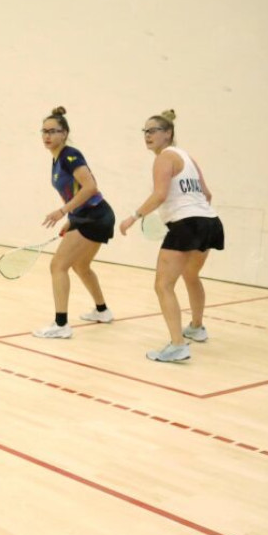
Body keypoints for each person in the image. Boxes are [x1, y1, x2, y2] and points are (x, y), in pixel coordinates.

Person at [119, 109, 224, 362]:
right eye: (145, 131)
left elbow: (160, 195)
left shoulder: (164, 158)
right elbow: (207, 194)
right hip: (210, 222)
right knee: (191, 275)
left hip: (187, 224)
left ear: (168, 133)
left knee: (163, 285)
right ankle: (196, 328)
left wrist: (133, 217)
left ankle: (178, 345)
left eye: (153, 131)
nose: (147, 135)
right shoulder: (187, 157)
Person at [32, 106, 116, 339]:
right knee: (81, 265)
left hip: (95, 216)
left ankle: (61, 325)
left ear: (65, 133)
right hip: (87, 216)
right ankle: (102, 311)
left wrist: (62, 211)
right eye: (44, 131)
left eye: (53, 131)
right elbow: (74, 193)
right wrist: (71, 220)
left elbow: (90, 187)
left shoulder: (70, 155)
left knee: (58, 266)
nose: (47, 136)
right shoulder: (57, 159)